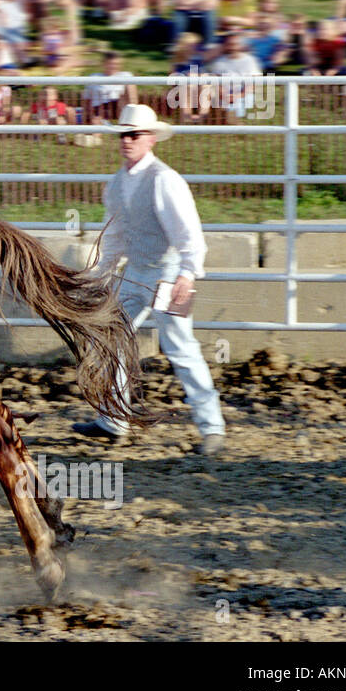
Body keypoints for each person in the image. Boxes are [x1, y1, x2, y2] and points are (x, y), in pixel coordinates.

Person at [72, 104, 226, 456]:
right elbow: (116, 235)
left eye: (134, 135)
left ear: (151, 139)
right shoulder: (118, 182)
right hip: (137, 272)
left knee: (180, 348)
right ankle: (113, 419)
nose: (127, 141)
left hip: (169, 273)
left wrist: (189, 273)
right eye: (124, 135)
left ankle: (212, 426)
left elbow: (189, 234)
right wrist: (102, 272)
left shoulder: (164, 180)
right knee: (113, 337)